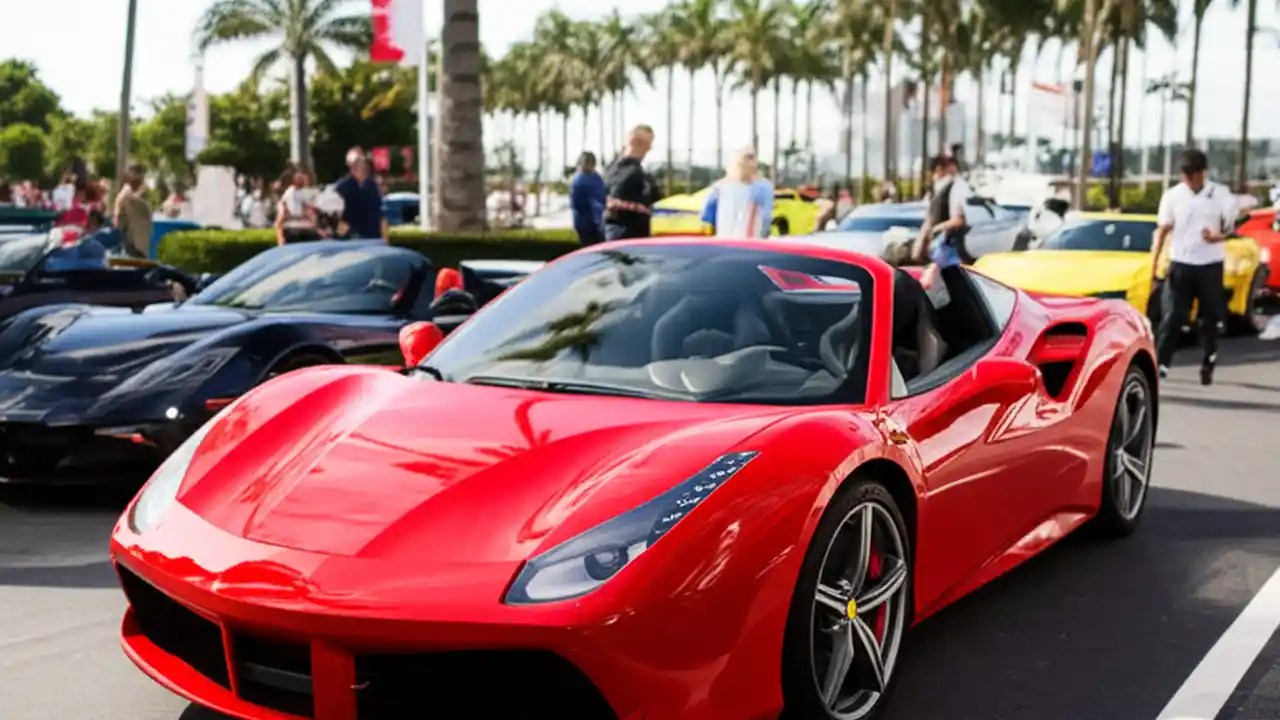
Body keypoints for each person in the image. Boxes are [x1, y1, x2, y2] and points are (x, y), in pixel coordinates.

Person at [1151, 149, 1238, 385]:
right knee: (1173, 316)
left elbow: (1231, 229)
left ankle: (1208, 361)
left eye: (1193, 173)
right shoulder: (1173, 196)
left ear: (1203, 173)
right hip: (1181, 264)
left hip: (1210, 265)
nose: (1188, 178)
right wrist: (1154, 265)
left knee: (1209, 319)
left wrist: (1217, 237)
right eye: (1185, 174)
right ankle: (1161, 364)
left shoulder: (1220, 194)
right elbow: (1162, 230)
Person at [700, 149, 774, 238]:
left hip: (725, 239)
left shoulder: (719, 187)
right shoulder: (763, 187)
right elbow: (766, 217)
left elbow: (706, 216)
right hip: (752, 241)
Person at [603, 125, 660, 241]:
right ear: (635, 142)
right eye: (646, 144)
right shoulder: (633, 173)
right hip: (626, 235)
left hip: (624, 234)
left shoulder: (611, 169)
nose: (649, 149)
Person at [334, 149, 388, 241]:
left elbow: (381, 215)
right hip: (352, 235)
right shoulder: (344, 186)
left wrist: (384, 238)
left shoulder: (372, 187)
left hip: (371, 236)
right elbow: (340, 215)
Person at [114, 164, 153, 259]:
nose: (141, 178)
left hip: (138, 245)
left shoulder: (139, 196)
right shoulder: (126, 194)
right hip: (132, 245)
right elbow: (119, 218)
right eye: (137, 175)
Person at [570, 152, 607, 245]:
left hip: (597, 221)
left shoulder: (597, 178)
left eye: (590, 162)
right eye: (586, 162)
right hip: (585, 221)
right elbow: (576, 202)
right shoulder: (578, 179)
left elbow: (602, 196)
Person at [275, 169, 320, 245]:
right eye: (300, 178)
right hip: (295, 229)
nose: (303, 180)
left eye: (303, 178)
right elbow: (281, 218)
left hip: (305, 229)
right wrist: (280, 237)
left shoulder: (306, 193)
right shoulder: (289, 194)